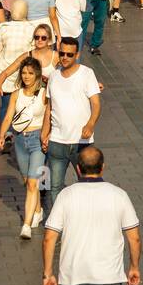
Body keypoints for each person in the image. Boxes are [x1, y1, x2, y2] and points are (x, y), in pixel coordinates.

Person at [42, 146, 141, 285]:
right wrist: (134, 267)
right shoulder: (119, 195)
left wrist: (47, 273)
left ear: (78, 169)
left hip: (72, 277)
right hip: (108, 278)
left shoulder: (66, 195)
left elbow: (49, 238)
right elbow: (134, 238)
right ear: (103, 167)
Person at [41, 36, 102, 201]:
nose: (64, 58)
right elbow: (49, 107)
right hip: (57, 142)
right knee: (55, 188)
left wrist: (90, 124)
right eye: (62, 53)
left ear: (77, 55)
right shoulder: (53, 76)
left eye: (69, 54)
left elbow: (96, 104)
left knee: (88, 185)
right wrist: (44, 133)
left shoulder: (87, 74)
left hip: (81, 143)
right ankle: (58, 224)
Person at [0, 56, 47, 238]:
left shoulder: (44, 93)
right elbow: (9, 116)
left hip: (37, 141)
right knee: (28, 182)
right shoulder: (17, 94)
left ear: (37, 75)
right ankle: (38, 210)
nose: (26, 76)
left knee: (33, 182)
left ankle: (26, 225)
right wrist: (1, 135)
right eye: (24, 73)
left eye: (30, 73)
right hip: (20, 141)